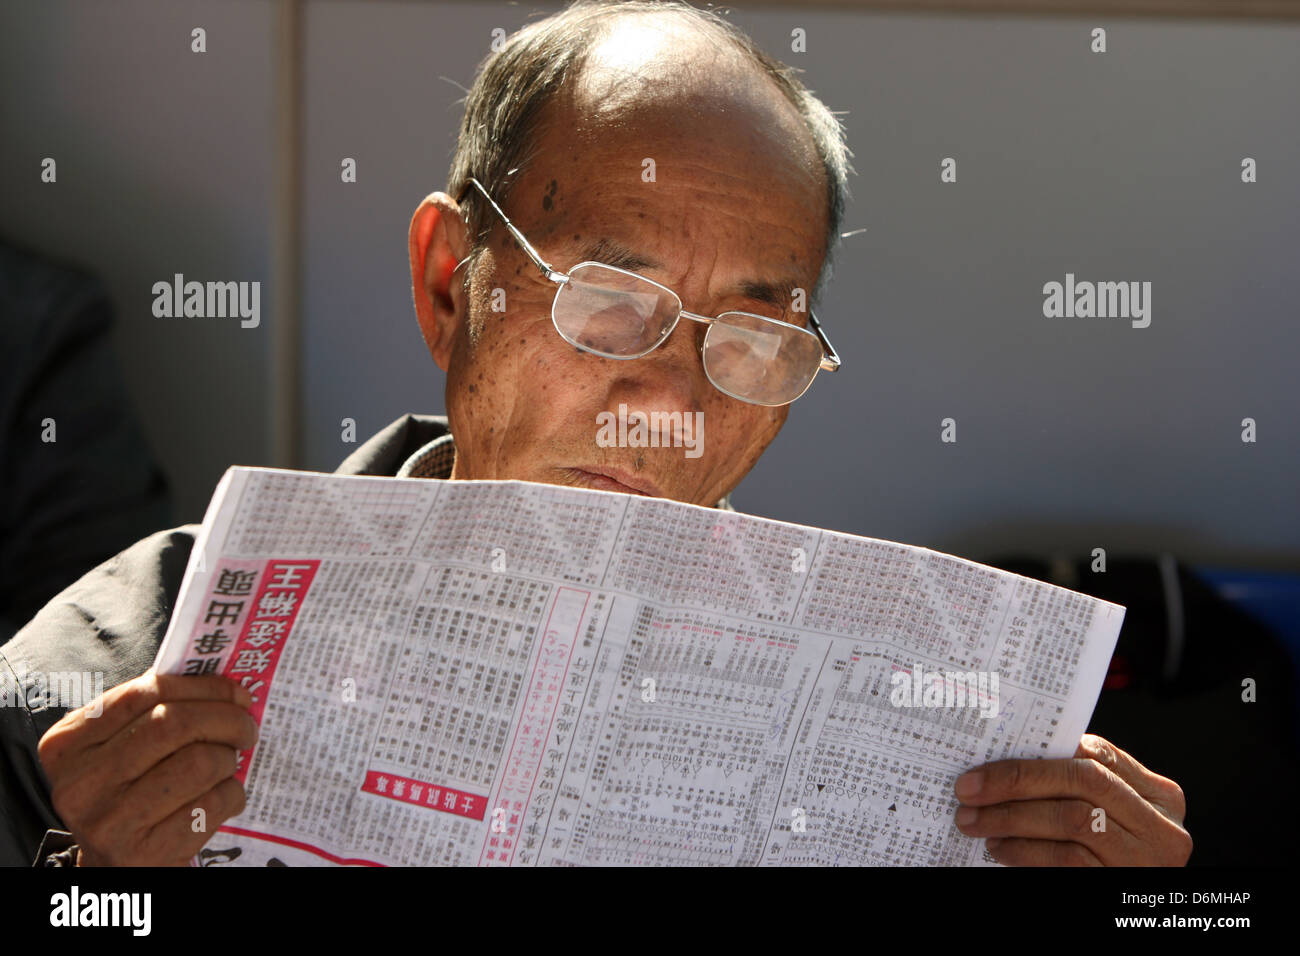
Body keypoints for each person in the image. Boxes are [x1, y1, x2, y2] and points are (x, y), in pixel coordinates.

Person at [0, 0, 1190, 867]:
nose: (671, 408)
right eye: (612, 305)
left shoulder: (934, 738)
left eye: (750, 338)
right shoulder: (129, 662)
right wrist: (101, 890)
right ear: (449, 285)